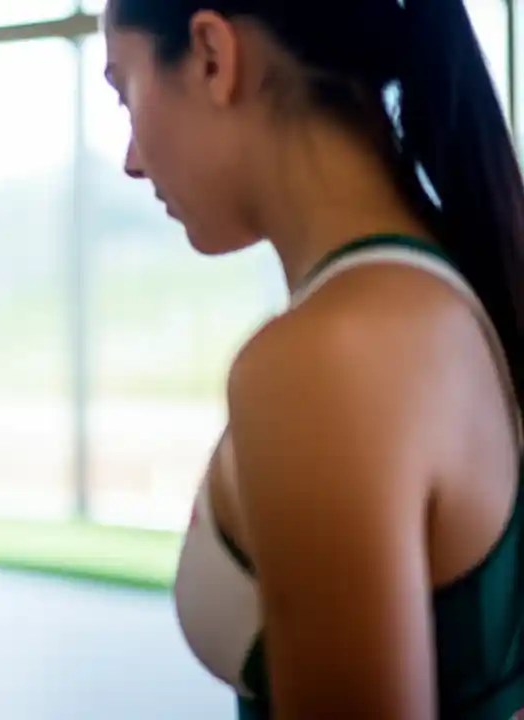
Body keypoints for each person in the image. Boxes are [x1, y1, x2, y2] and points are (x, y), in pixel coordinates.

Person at [103, 1, 523, 718]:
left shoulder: (328, 358)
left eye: (125, 92)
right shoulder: (452, 291)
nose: (132, 160)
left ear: (212, 57)